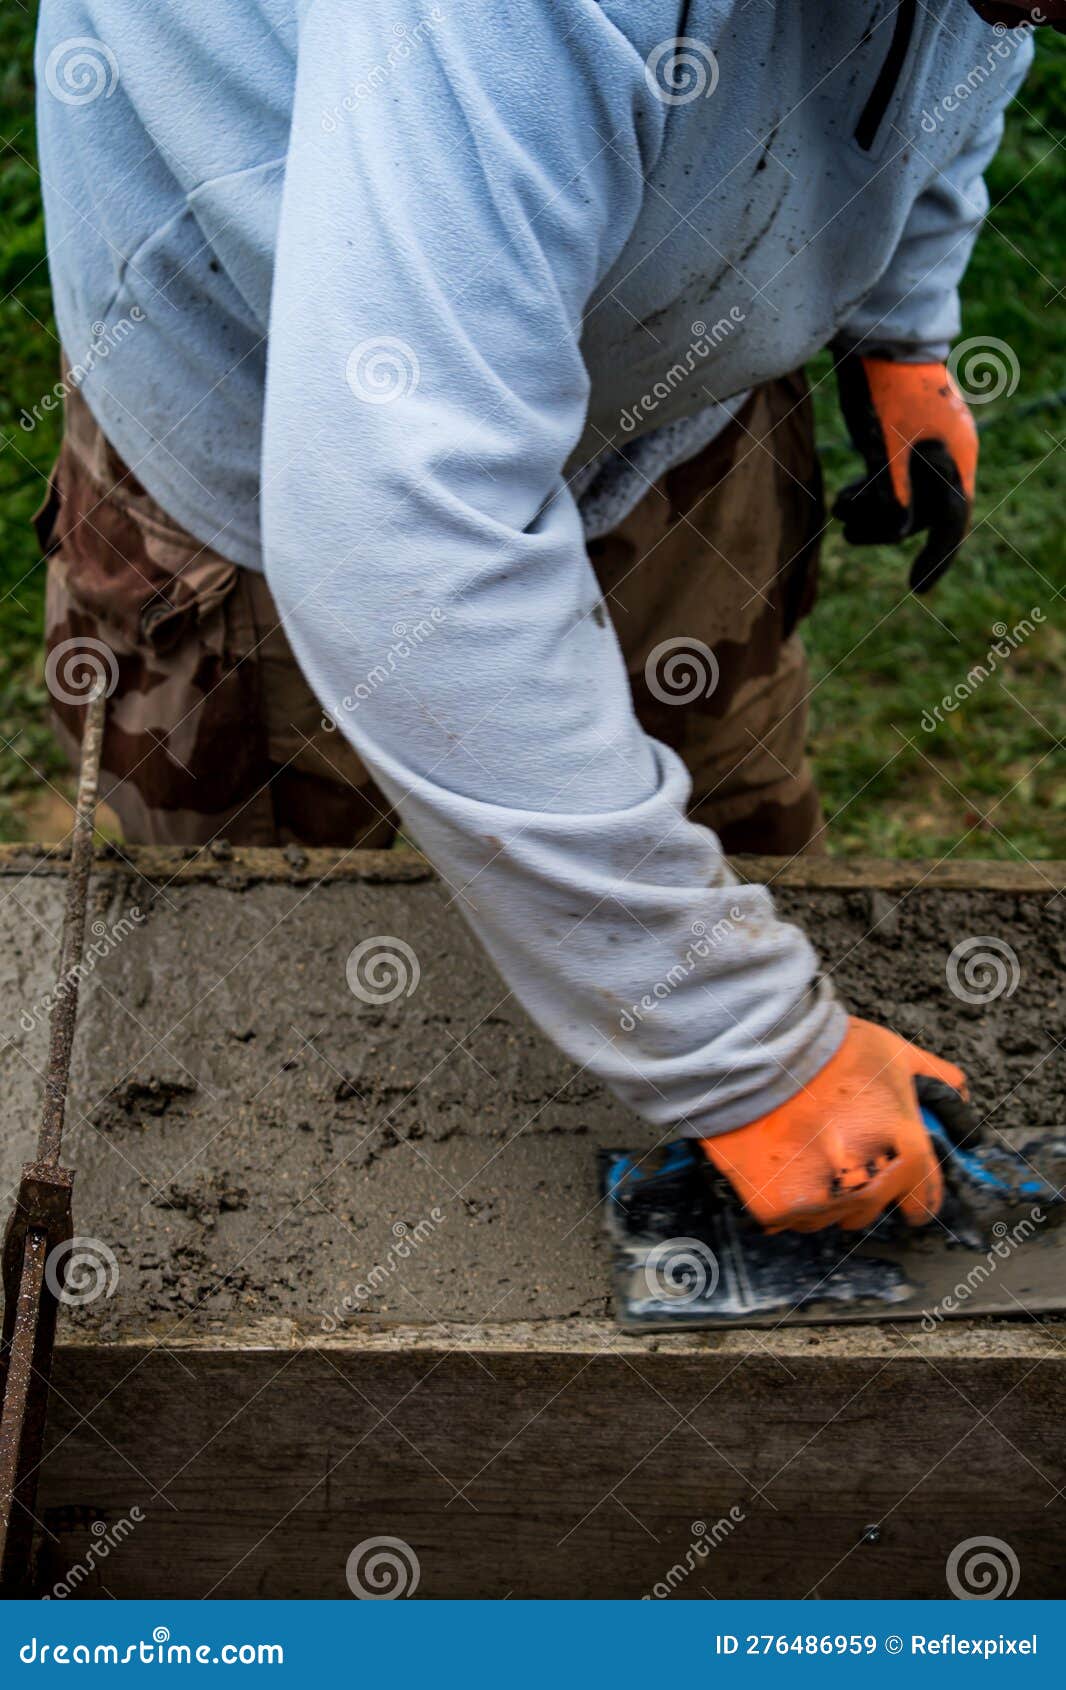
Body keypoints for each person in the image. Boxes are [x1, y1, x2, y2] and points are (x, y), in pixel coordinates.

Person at [32, 1, 1058, 1235]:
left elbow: (942, 45)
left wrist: (903, 312)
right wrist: (744, 1057)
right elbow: (394, 523)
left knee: (731, 849)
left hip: (671, 377)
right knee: (301, 1044)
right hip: (286, 411)